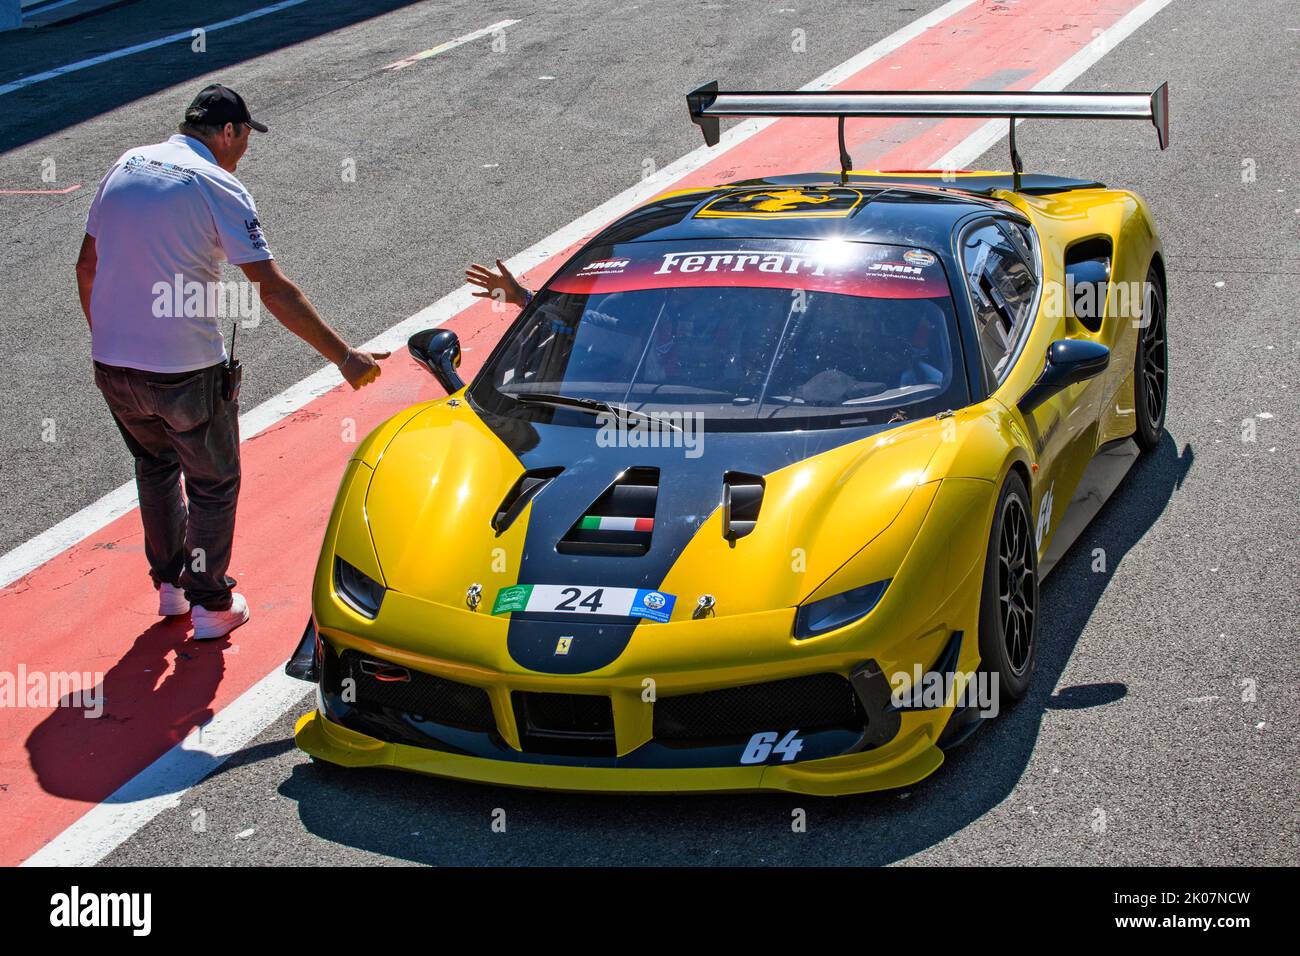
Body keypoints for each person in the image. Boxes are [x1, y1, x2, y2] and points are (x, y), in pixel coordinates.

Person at [76, 84, 389, 640]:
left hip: (112, 365)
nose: (244, 149)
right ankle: (211, 604)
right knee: (213, 482)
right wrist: (344, 357)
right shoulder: (219, 184)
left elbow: (87, 265)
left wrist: (111, 342)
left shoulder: (126, 163)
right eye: (244, 137)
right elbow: (271, 290)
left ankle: (170, 588)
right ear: (228, 132)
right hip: (185, 369)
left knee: (154, 468)